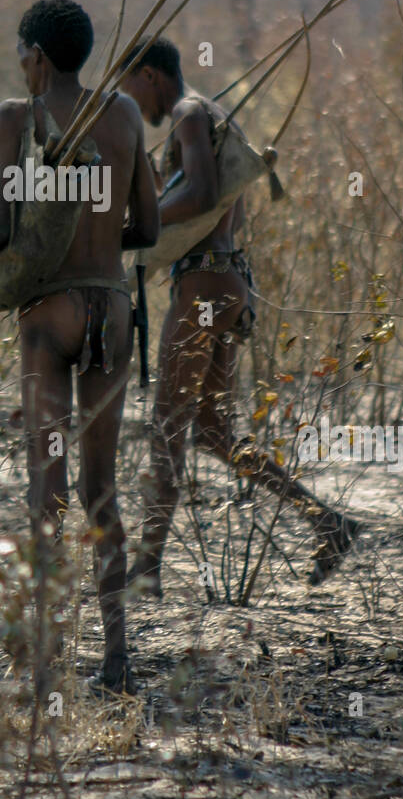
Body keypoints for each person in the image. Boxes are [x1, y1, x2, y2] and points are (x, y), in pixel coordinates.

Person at [0, 0, 159, 692]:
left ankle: (45, 666)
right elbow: (150, 227)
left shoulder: (17, 119)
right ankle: (117, 661)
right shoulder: (127, 116)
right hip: (112, 311)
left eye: (22, 52)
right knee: (101, 489)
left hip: (48, 319)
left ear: (38, 55)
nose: (20, 63)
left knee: (47, 490)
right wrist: (99, 245)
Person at [118, 37, 360, 595]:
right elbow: (193, 192)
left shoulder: (187, 112)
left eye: (129, 87)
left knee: (167, 428)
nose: (130, 101)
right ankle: (328, 520)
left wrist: (136, 224)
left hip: (205, 284)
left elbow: (202, 196)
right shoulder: (207, 117)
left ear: (150, 76)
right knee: (210, 430)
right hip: (228, 287)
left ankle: (146, 572)